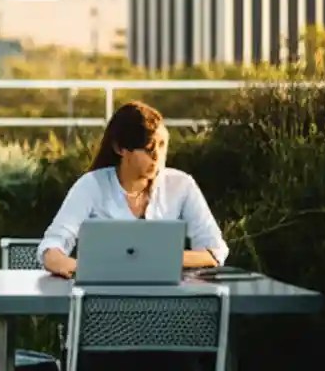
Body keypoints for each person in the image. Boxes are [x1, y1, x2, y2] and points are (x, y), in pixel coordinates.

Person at [37, 101, 229, 371]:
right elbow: (51, 248)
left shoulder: (181, 186)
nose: (158, 158)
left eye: (163, 146)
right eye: (149, 150)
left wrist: (161, 259)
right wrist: (78, 266)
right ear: (120, 149)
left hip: (169, 327)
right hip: (102, 327)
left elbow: (215, 251)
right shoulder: (91, 186)